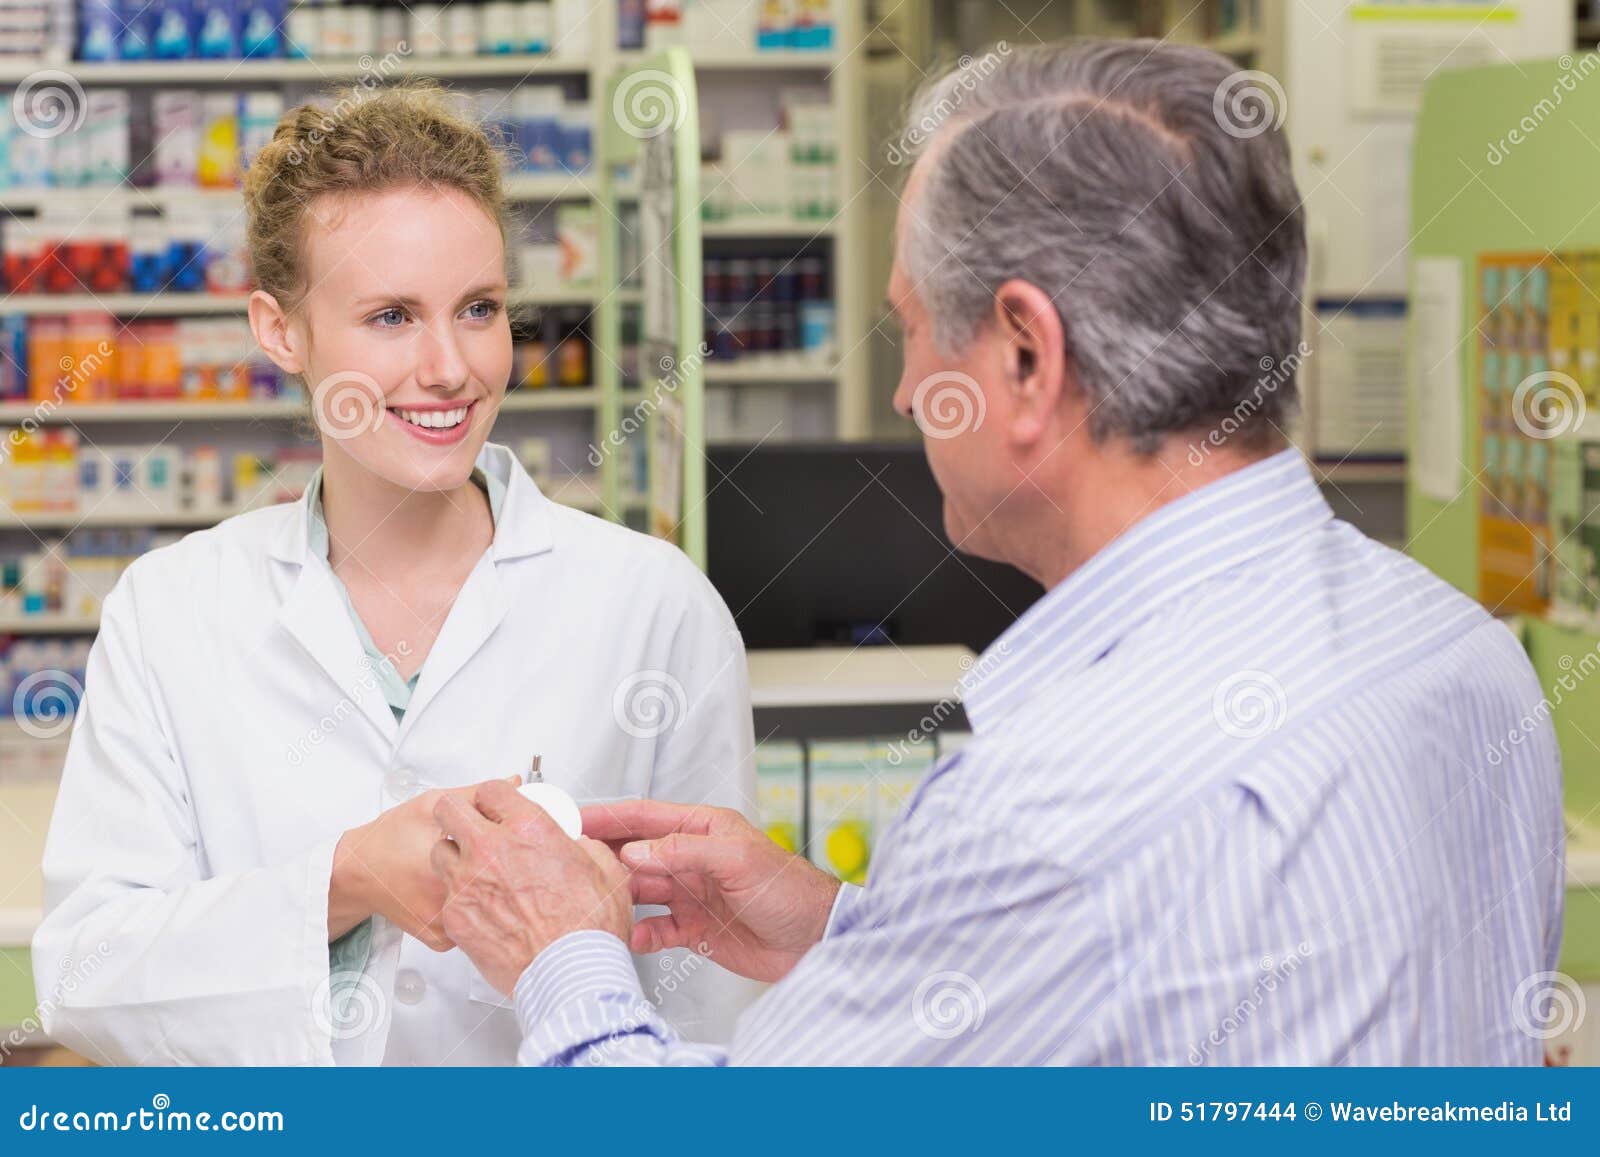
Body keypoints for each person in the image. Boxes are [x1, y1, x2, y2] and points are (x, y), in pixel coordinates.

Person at [430, 40, 1565, 1065]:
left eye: (915, 329)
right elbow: (1144, 990)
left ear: (1024, 356)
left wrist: (559, 951)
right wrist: (845, 928)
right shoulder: (1454, 646)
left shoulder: (1058, 804)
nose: (903, 389)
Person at [31, 81, 757, 1066]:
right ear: (279, 328)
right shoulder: (172, 610)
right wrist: (347, 876)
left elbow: (711, 991)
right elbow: (87, 975)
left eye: (480, 308)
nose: (451, 365)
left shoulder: (652, 602)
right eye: (389, 316)